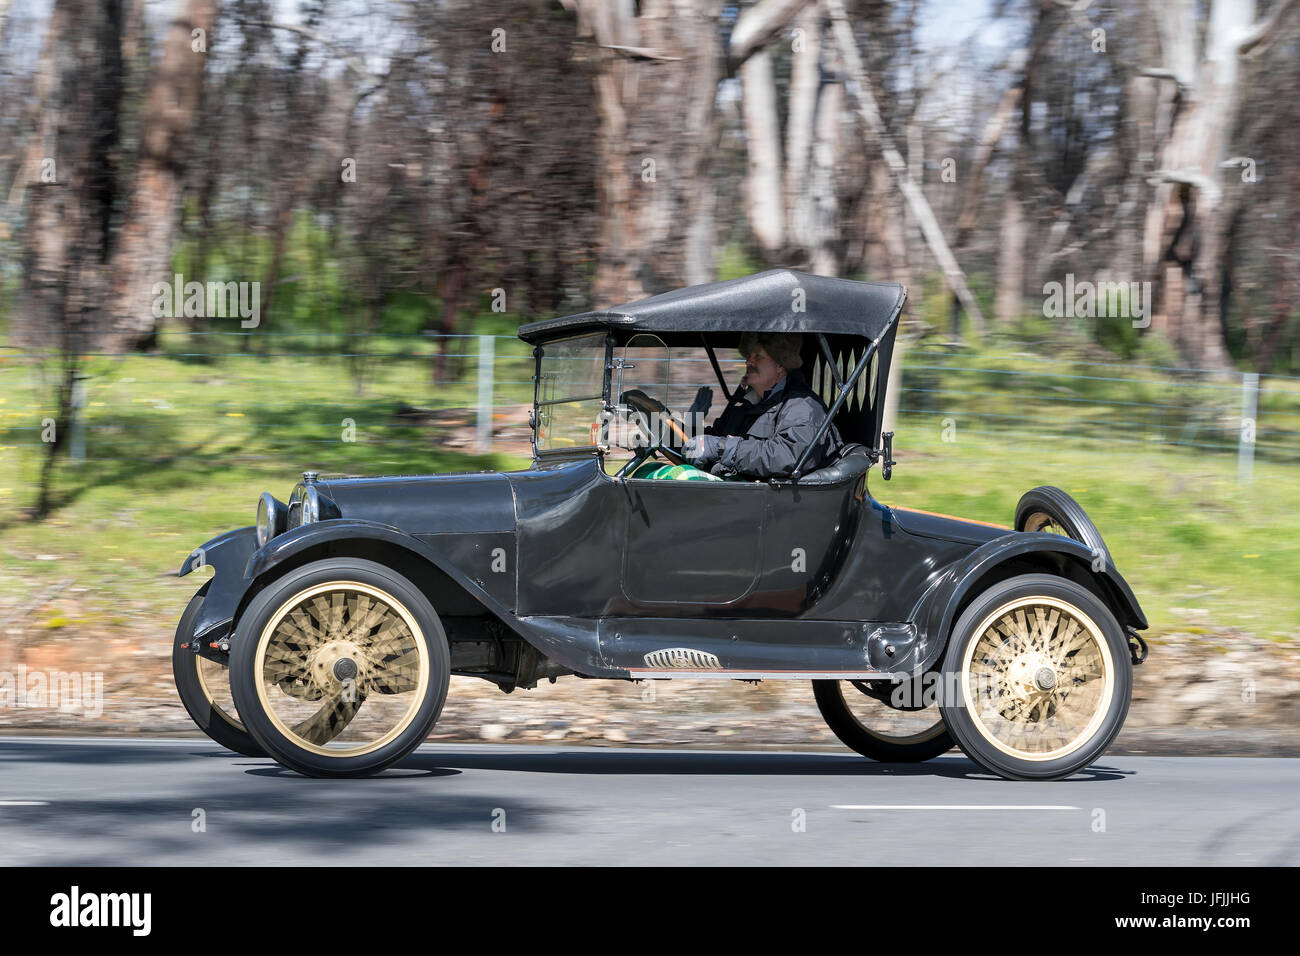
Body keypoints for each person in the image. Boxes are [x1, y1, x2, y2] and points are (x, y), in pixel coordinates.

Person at [680, 332, 840, 479]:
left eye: (758, 356)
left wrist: (724, 449)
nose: (748, 361)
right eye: (749, 355)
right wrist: (687, 426)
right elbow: (711, 441)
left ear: (780, 365)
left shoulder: (803, 406)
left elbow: (789, 456)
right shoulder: (748, 401)